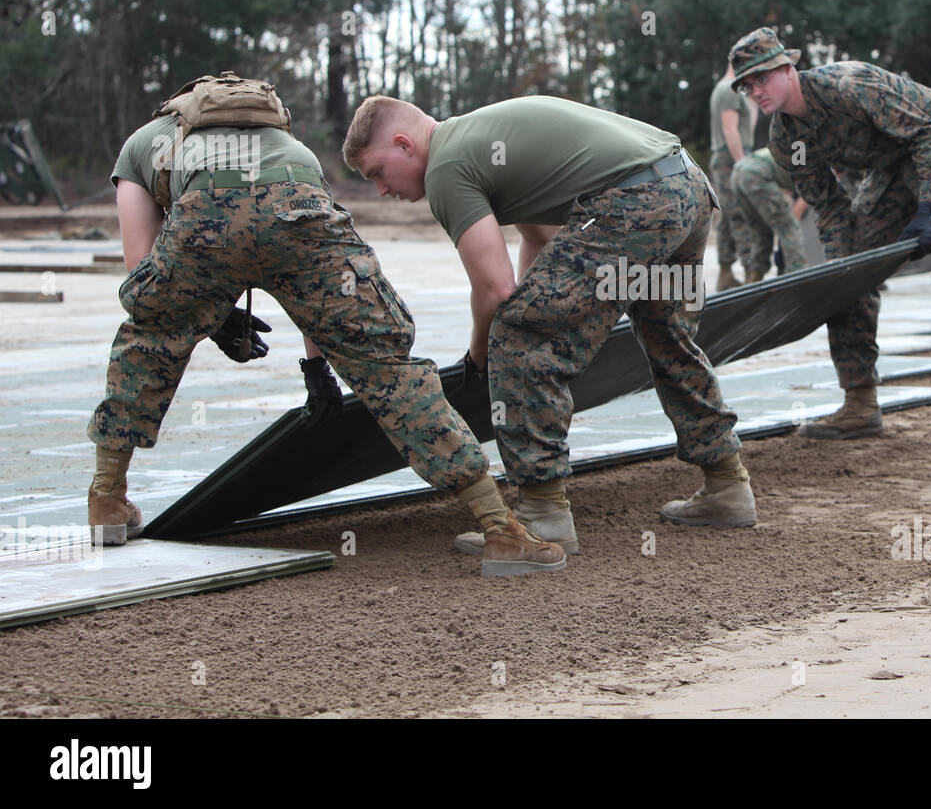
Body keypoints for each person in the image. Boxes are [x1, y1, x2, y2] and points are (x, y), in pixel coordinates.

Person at [86, 74, 564, 577]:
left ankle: (107, 502)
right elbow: (313, 291)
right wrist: (320, 370)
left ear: (179, 109)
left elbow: (142, 276)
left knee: (148, 342)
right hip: (301, 211)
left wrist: (207, 314)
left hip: (200, 224)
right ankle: (500, 528)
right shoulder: (293, 148)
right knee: (389, 370)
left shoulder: (144, 143)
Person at [342, 94, 758, 542]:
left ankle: (542, 513)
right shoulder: (479, 139)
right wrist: (537, 310)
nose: (382, 190)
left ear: (405, 145)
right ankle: (727, 484)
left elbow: (494, 289)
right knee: (668, 335)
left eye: (377, 174)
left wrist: (482, 353)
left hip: (635, 200)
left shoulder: (445, 167)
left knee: (518, 337)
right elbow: (540, 238)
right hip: (687, 187)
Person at [727, 26, 931, 441]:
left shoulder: (850, 86)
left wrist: (930, 207)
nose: (756, 91)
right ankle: (860, 402)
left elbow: (928, 136)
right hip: (889, 168)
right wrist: (840, 263)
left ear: (789, 68)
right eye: (747, 85)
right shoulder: (785, 138)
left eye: (762, 77)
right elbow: (828, 206)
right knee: (850, 275)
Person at [707, 63, 756, 290]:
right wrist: (742, 164)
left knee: (728, 218)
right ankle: (752, 274)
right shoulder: (729, 89)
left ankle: (726, 274)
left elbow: (747, 127)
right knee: (741, 215)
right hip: (731, 158)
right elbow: (730, 130)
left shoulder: (730, 89)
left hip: (728, 158)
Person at [728, 146, 810, 282]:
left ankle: (753, 280)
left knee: (761, 233)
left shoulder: (798, 149)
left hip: (739, 171)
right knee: (789, 228)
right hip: (756, 174)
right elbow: (797, 211)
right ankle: (799, 277)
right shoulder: (818, 168)